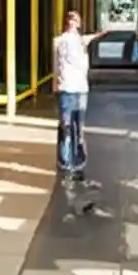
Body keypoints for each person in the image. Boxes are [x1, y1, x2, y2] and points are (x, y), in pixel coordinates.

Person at [52, 10, 106, 185]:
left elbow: (94, 37)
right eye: (70, 19)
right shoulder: (62, 41)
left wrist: (101, 33)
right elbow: (59, 64)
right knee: (67, 126)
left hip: (78, 88)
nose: (73, 22)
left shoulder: (80, 41)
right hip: (68, 88)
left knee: (77, 126)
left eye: (75, 19)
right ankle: (67, 162)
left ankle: (75, 160)